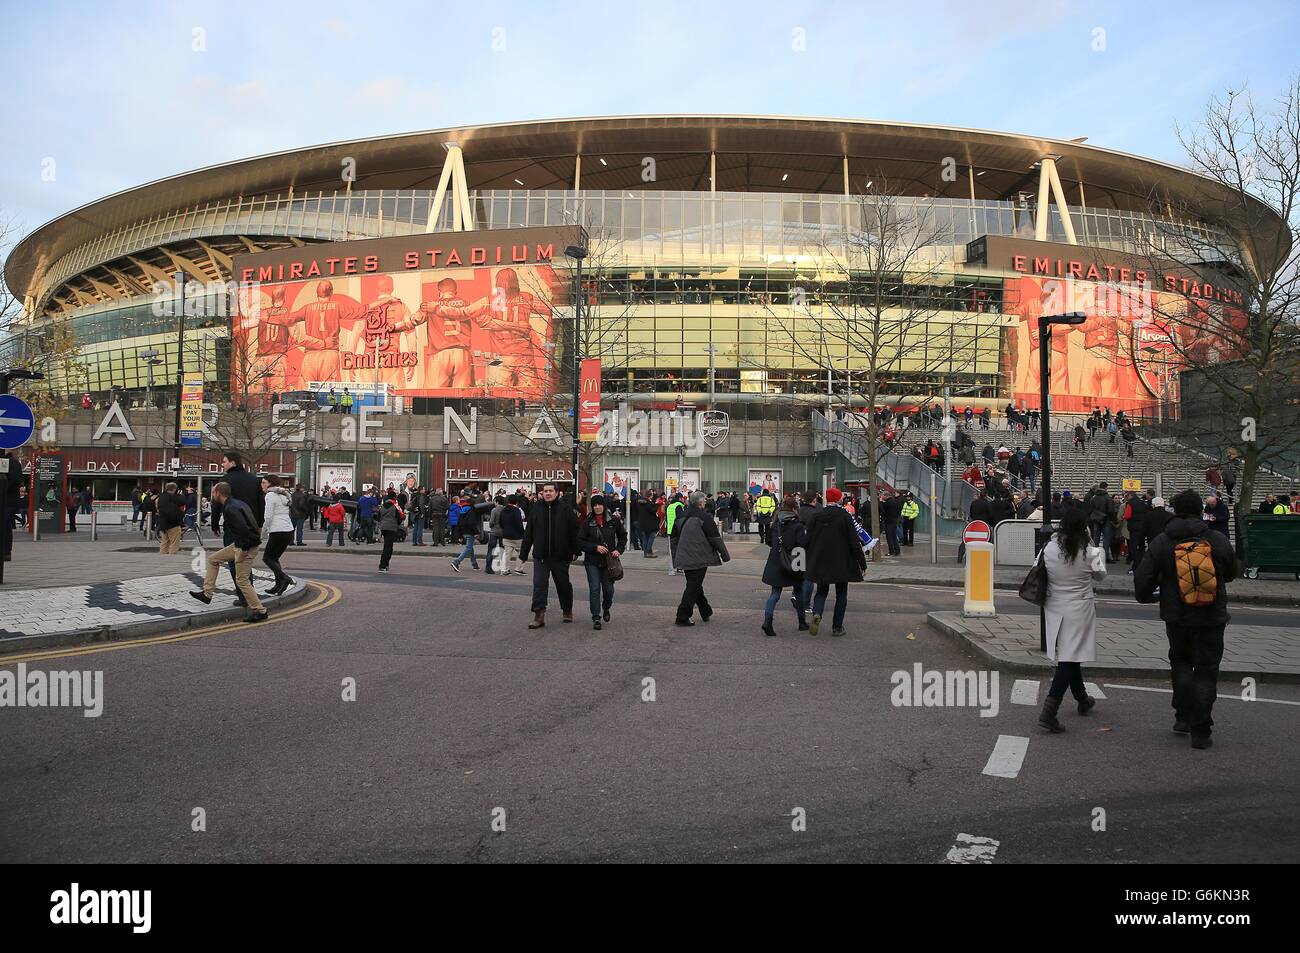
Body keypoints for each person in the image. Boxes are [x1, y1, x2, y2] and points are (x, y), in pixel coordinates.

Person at [1135, 489, 1239, 749]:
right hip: (1211, 613)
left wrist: (1149, 596)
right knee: (1206, 669)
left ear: (1174, 509)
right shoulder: (1216, 538)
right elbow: (1231, 572)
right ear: (1199, 509)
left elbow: (1143, 578)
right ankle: (1201, 729)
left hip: (1177, 614)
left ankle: (1182, 717)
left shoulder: (1162, 541)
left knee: (1180, 661)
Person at [1037, 508, 1106, 732]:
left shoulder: (1048, 547)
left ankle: (1082, 699)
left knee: (1069, 651)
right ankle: (1049, 711)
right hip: (1080, 606)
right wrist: (1094, 544)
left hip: (1054, 605)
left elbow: (1035, 569)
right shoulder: (1091, 551)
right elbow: (1101, 576)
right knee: (1068, 657)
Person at [189, 481, 268, 623]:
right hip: (241, 544)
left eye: (213, 492)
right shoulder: (237, 503)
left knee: (242, 579)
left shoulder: (230, 508)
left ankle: (260, 610)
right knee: (213, 559)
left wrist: (242, 552)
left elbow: (244, 530)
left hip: (245, 546)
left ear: (218, 493)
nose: (212, 495)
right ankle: (207, 594)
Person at [804, 487, 867, 637]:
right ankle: (837, 627)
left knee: (821, 590)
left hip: (821, 559)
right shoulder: (845, 516)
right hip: (841, 561)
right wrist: (862, 563)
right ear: (839, 499)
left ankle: (817, 613)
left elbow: (808, 539)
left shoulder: (817, 515)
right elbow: (854, 542)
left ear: (826, 498)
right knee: (841, 593)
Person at [520, 482, 580, 628]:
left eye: (550, 491)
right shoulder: (536, 509)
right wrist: (523, 554)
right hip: (541, 556)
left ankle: (567, 610)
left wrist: (576, 551)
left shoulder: (565, 509)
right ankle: (539, 615)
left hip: (561, 556)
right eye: (545, 491)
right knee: (539, 585)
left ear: (557, 493)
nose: (547, 493)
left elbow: (574, 532)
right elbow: (529, 533)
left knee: (563, 585)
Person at [211, 451, 265, 609]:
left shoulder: (225, 480)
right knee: (246, 563)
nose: (223, 464)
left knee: (234, 561)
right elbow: (261, 503)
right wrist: (259, 524)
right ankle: (249, 593)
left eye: (225, 461)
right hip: (251, 526)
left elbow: (217, 503)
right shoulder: (254, 479)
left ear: (233, 463)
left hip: (233, 527)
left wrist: (215, 524)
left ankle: (243, 596)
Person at [671, 491, 731, 626]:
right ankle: (682, 616)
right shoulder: (704, 517)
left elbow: (673, 539)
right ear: (700, 502)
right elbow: (715, 538)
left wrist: (676, 558)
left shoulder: (680, 516)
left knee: (694, 584)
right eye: (704, 501)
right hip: (700, 557)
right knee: (693, 586)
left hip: (684, 556)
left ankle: (705, 610)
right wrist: (725, 555)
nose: (704, 503)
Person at [761, 496, 809, 637]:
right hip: (794, 561)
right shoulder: (798, 525)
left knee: (775, 593)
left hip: (776, 560)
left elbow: (769, 541)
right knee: (799, 591)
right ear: (794, 509)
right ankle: (801, 622)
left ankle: (768, 620)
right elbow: (802, 544)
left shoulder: (775, 524)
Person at [577, 494, 626, 629]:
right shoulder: (587, 522)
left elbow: (623, 536)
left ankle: (606, 607)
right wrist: (595, 547)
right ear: (592, 507)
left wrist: (619, 550)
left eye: (600, 504)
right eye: (595, 505)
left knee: (608, 590)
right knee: (594, 589)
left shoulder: (614, 521)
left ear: (604, 505)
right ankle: (596, 617)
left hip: (609, 562)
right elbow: (580, 542)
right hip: (592, 561)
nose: (597, 507)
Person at [261, 475, 295, 593]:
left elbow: (268, 516)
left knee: (267, 558)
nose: (262, 485)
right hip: (288, 530)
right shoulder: (283, 494)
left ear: (270, 483)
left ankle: (284, 578)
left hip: (277, 530)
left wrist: (262, 532)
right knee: (274, 558)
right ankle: (278, 585)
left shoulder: (270, 495)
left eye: (264, 482)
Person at [496, 494, 527, 575]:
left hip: (506, 535)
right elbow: (519, 524)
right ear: (516, 502)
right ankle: (518, 568)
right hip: (517, 536)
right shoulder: (516, 511)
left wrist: (505, 529)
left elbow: (500, 523)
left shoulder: (503, 510)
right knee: (521, 552)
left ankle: (504, 570)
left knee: (507, 554)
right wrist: (523, 533)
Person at [376, 493, 405, 573]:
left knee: (386, 546)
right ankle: (383, 565)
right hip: (392, 528)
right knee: (388, 547)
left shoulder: (382, 507)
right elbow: (400, 518)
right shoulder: (394, 507)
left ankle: (384, 565)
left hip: (384, 528)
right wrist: (397, 524)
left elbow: (378, 518)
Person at [156, 482, 185, 554]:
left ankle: (163, 556)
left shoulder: (161, 497)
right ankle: (172, 557)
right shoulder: (173, 497)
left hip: (163, 523)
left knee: (164, 542)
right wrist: (180, 494)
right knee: (174, 543)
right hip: (173, 524)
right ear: (174, 489)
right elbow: (183, 501)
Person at [634, 489, 660, 557]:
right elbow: (653, 510)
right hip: (650, 523)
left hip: (643, 522)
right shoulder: (648, 502)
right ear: (650, 495)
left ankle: (646, 552)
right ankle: (648, 552)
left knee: (645, 537)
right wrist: (656, 504)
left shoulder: (640, 502)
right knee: (652, 536)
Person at [665, 493, 686, 573]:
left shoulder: (670, 506)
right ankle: (678, 566)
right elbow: (680, 519)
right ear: (680, 498)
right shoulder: (679, 506)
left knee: (673, 550)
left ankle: (673, 567)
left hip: (670, 530)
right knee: (680, 549)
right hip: (678, 530)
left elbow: (667, 519)